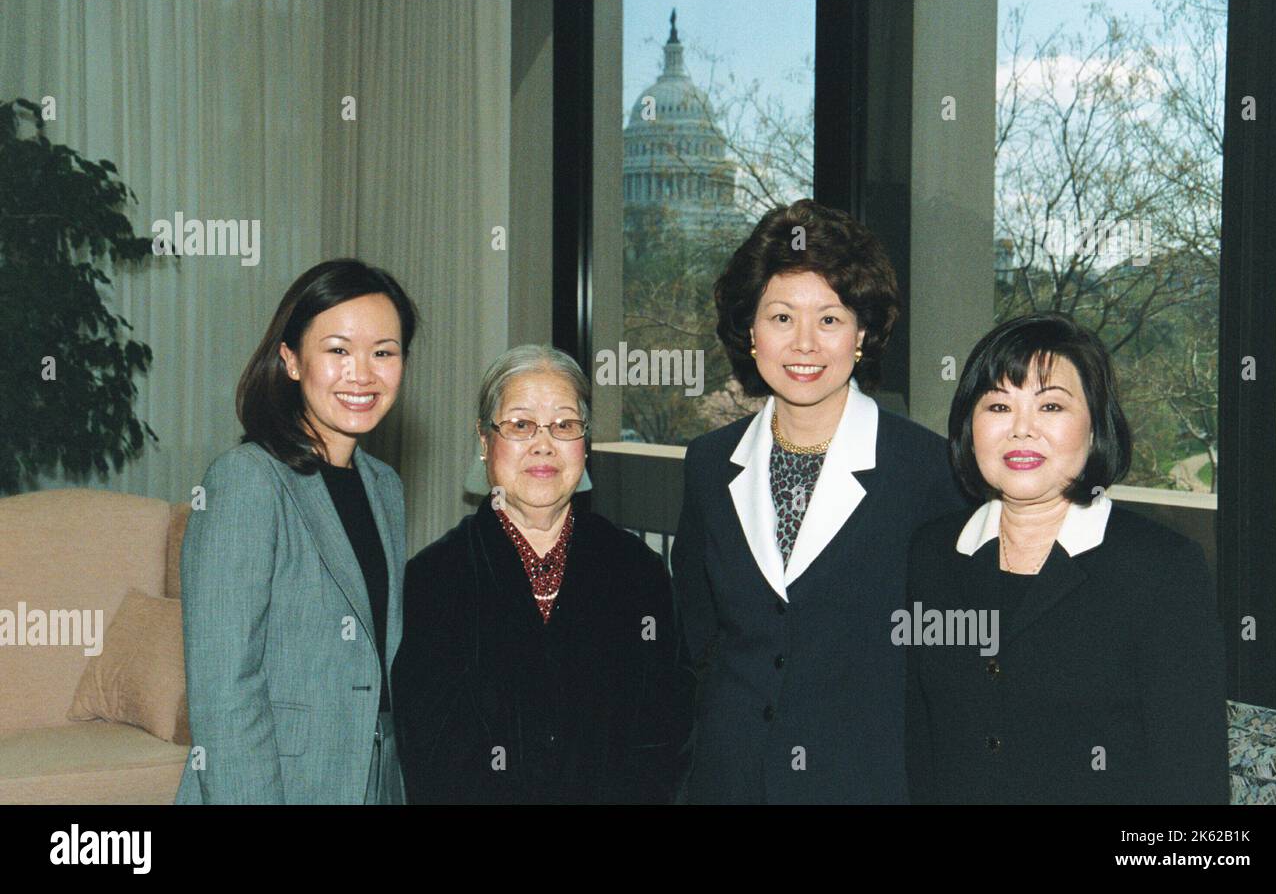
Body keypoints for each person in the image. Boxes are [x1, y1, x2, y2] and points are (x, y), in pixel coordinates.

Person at [670, 199, 970, 803]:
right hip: (727, 783)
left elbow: (950, 666)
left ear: (862, 333)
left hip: (868, 785)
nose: (804, 343)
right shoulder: (708, 464)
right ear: (750, 332)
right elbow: (696, 638)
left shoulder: (930, 472)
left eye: (829, 319)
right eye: (781, 317)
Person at [905, 311, 1228, 803]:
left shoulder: (1161, 570)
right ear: (969, 429)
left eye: (1050, 407)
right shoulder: (933, 554)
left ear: (1096, 426)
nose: (1021, 430)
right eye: (998, 407)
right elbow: (921, 747)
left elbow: (1192, 782)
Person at [393, 344, 694, 803]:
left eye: (565, 425)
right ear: (483, 440)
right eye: (519, 424)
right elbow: (429, 754)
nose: (543, 443)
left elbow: (667, 732)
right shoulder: (435, 579)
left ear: (585, 443)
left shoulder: (639, 573)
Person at [175, 259, 418, 804]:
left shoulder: (385, 487)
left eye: (384, 352)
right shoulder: (245, 481)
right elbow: (223, 691)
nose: (363, 373)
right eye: (337, 350)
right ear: (290, 360)